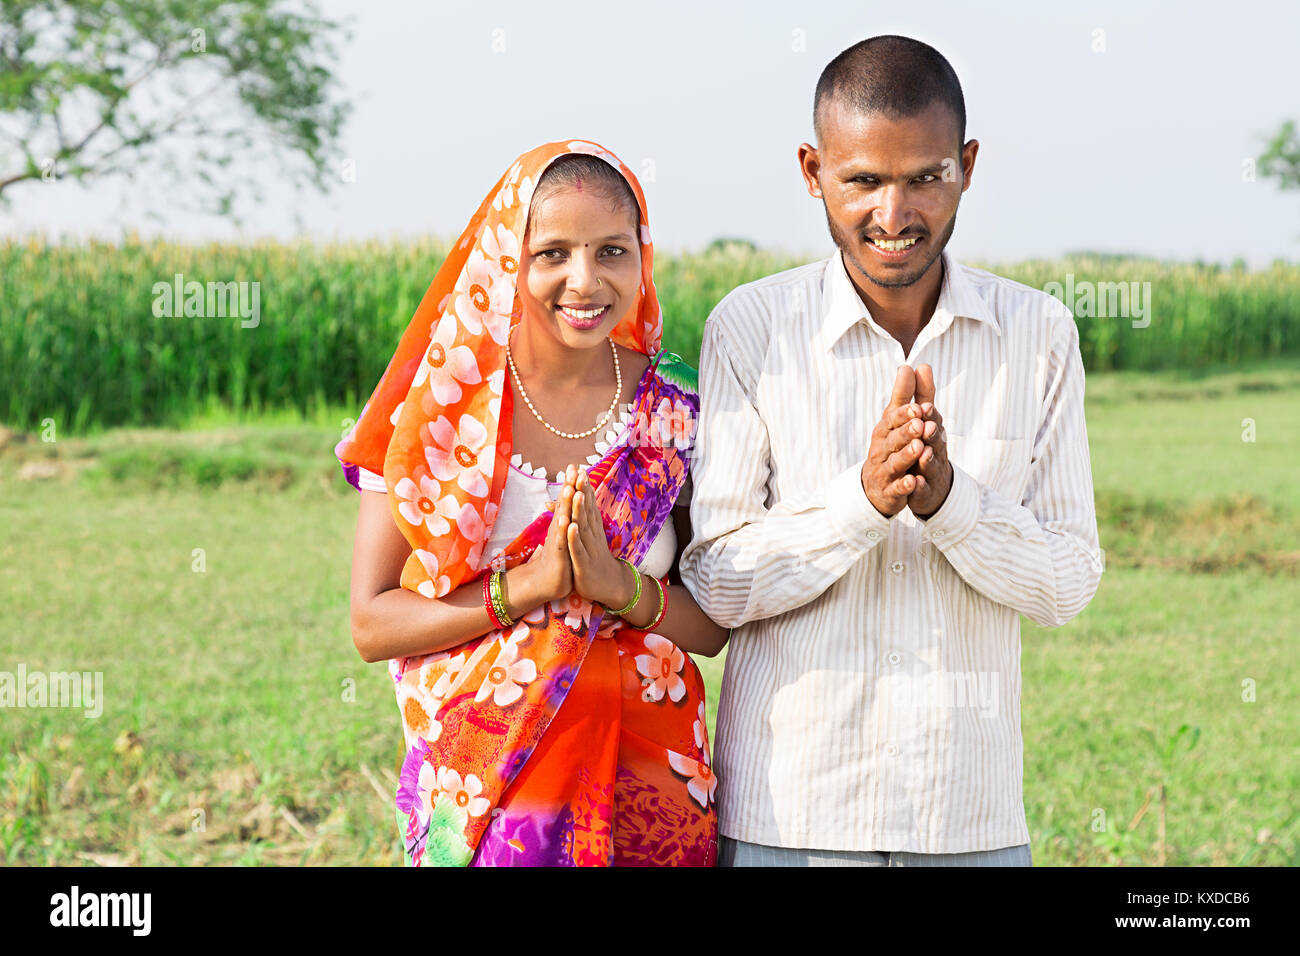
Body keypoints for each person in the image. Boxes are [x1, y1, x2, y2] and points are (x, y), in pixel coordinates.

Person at [679, 36, 1104, 866]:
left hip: (969, 820)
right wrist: (861, 503)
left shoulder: (1038, 335)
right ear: (812, 170)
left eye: (926, 177)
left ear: (967, 165)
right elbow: (715, 580)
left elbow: (1068, 582)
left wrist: (952, 503)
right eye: (863, 180)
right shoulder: (752, 329)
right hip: (788, 817)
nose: (894, 214)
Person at [337, 140, 728, 867]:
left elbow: (711, 627)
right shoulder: (439, 405)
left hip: (657, 786)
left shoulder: (675, 405)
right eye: (552, 253)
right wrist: (529, 589)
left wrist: (621, 591)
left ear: (641, 257)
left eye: (612, 250)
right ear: (506, 258)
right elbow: (371, 623)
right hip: (494, 796)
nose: (585, 281)